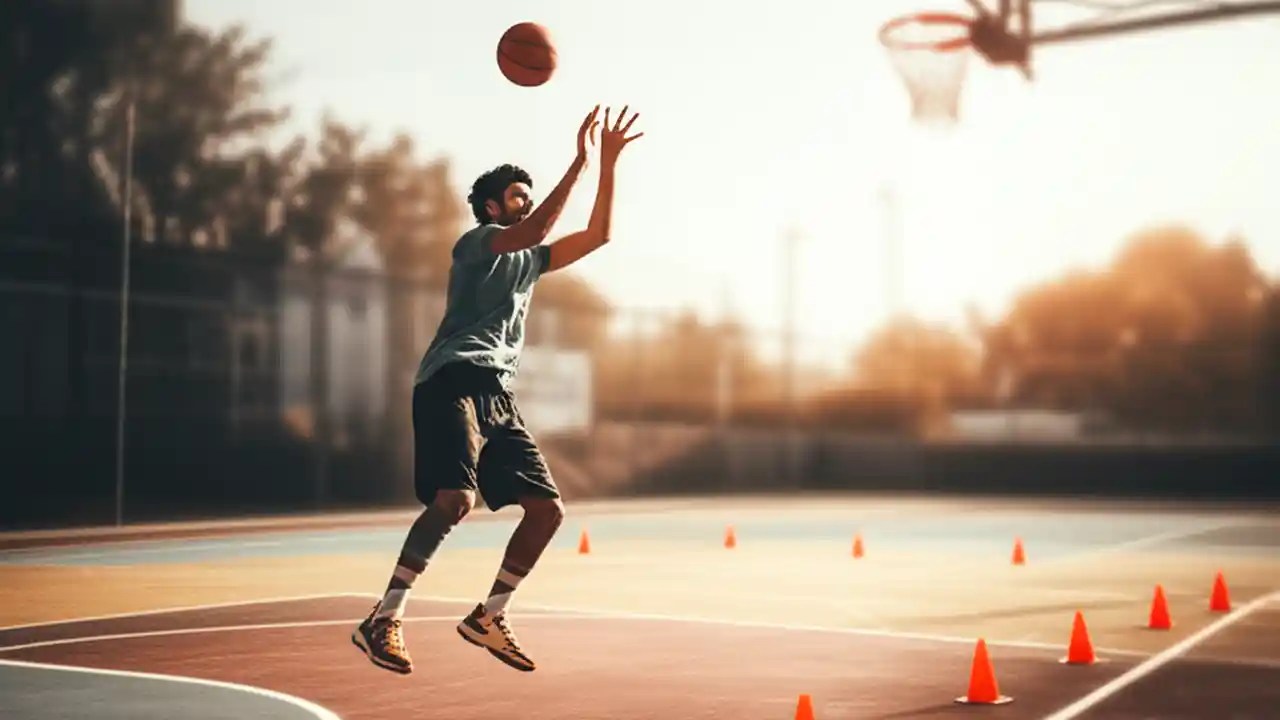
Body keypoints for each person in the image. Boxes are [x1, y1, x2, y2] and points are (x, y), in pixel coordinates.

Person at [351, 105, 643, 674]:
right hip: (450, 382)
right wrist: (579, 161)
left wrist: (609, 163)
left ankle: (489, 616)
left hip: (497, 395)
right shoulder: (477, 244)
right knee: (455, 501)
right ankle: (383, 617)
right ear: (491, 208)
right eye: (516, 196)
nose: (525, 204)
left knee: (547, 511)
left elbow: (600, 235)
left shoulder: (529, 262)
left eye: (526, 197)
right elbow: (534, 229)